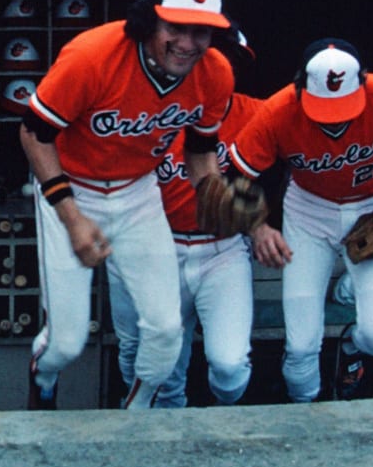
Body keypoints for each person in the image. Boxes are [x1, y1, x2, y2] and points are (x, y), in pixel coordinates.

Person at [22, 0, 236, 409]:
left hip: (138, 192)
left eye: (202, 31)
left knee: (164, 331)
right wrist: (72, 218)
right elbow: (33, 134)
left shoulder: (215, 74)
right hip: (70, 187)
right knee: (66, 342)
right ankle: (43, 380)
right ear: (149, 19)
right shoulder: (93, 55)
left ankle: (134, 416)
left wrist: (217, 195)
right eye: (177, 27)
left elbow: (200, 152)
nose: (188, 43)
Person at [230, 40, 373, 401]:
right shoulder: (279, 109)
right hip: (308, 215)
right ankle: (307, 414)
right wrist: (258, 226)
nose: (336, 118)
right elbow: (235, 173)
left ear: (364, 82)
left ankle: (351, 349)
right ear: (299, 86)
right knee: (300, 350)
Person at [108, 92, 267, 408]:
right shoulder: (146, 113)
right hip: (160, 249)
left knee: (230, 366)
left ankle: (223, 422)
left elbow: (303, 137)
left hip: (222, 251)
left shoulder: (257, 113)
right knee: (161, 373)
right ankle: (163, 441)